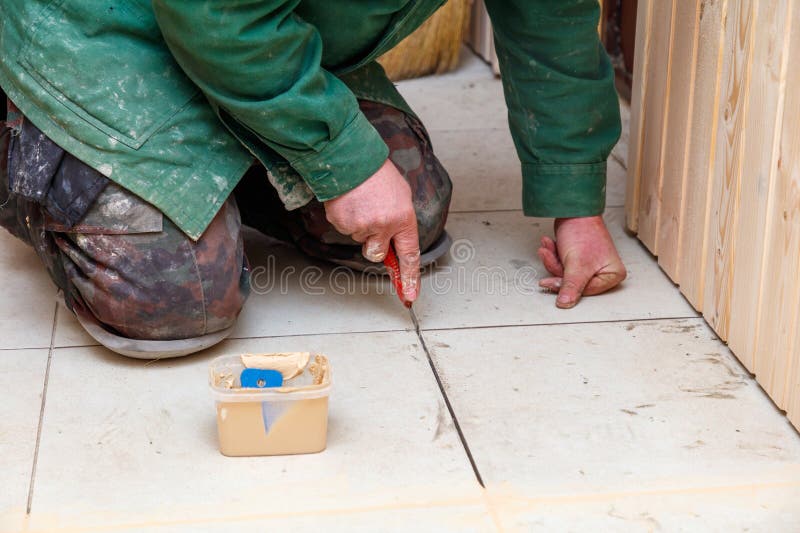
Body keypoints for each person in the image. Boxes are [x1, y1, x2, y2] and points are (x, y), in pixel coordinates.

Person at [0, 1, 626, 358]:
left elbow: (552, 16)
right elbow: (216, 17)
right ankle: (27, 138)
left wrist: (576, 203)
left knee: (418, 205)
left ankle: (227, 163)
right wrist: (346, 165)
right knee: (175, 296)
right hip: (105, 34)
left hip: (266, 31)